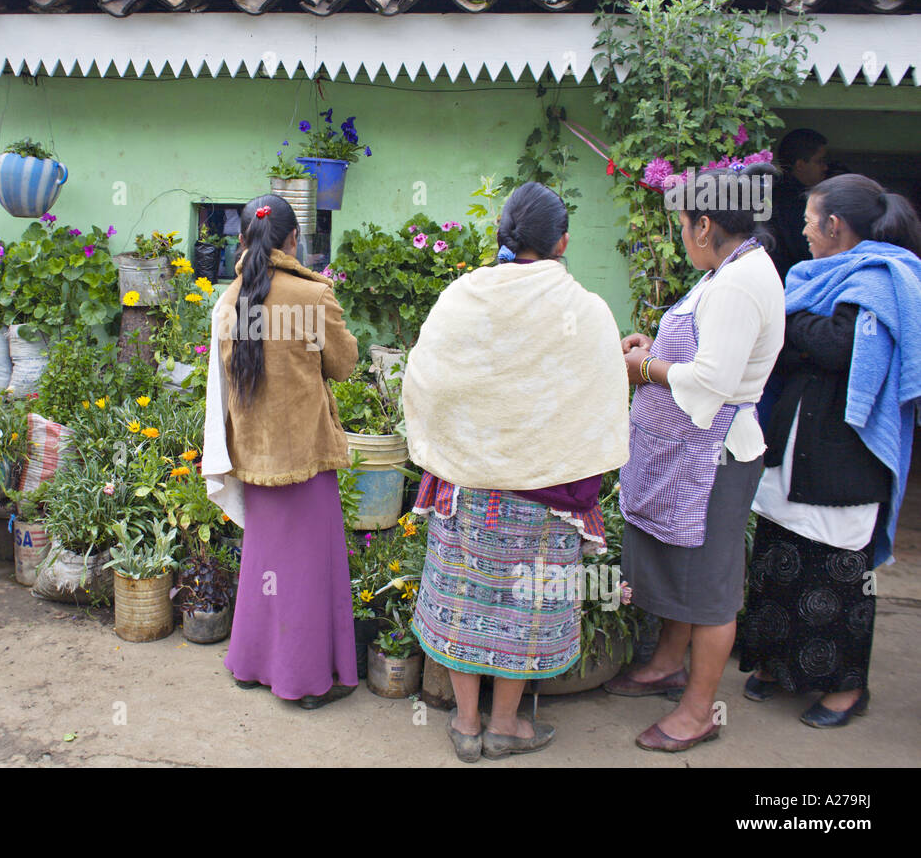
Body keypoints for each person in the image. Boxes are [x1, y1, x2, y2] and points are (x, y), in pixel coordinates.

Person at [403, 183, 630, 762]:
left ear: (502, 233)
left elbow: (426, 377)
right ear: (562, 241)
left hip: (468, 488)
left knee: (465, 599)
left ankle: (467, 723)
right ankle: (507, 723)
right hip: (545, 493)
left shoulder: (463, 296)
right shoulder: (586, 311)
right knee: (521, 608)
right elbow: (597, 394)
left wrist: (465, 443)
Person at [610, 163, 786, 752]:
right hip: (693, 452)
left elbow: (711, 381)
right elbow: (705, 348)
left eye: (682, 225)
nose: (679, 237)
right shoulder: (728, 271)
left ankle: (698, 711)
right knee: (685, 567)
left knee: (710, 589)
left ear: (705, 225)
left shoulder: (738, 284)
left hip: (716, 456)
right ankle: (667, 663)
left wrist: (645, 368)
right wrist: (654, 346)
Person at [741, 174, 921, 727]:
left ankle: (845, 689)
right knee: (778, 559)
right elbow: (803, 349)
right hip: (796, 443)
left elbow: (842, 347)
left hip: (845, 454)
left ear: (834, 225)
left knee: (835, 573)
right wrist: (799, 335)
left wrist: (787, 320)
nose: (803, 231)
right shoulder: (815, 277)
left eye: (809, 220)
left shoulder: (882, 279)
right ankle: (777, 666)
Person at [202, 195, 360, 709]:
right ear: (293, 241)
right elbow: (343, 365)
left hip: (253, 455)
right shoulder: (312, 297)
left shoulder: (229, 301)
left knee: (265, 564)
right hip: (305, 458)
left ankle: (249, 664)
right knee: (308, 569)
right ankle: (306, 680)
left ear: (243, 240)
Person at [766, 130, 829, 282]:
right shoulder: (794, 201)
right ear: (800, 165)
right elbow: (803, 249)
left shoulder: (773, 192)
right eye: (819, 161)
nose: (825, 167)